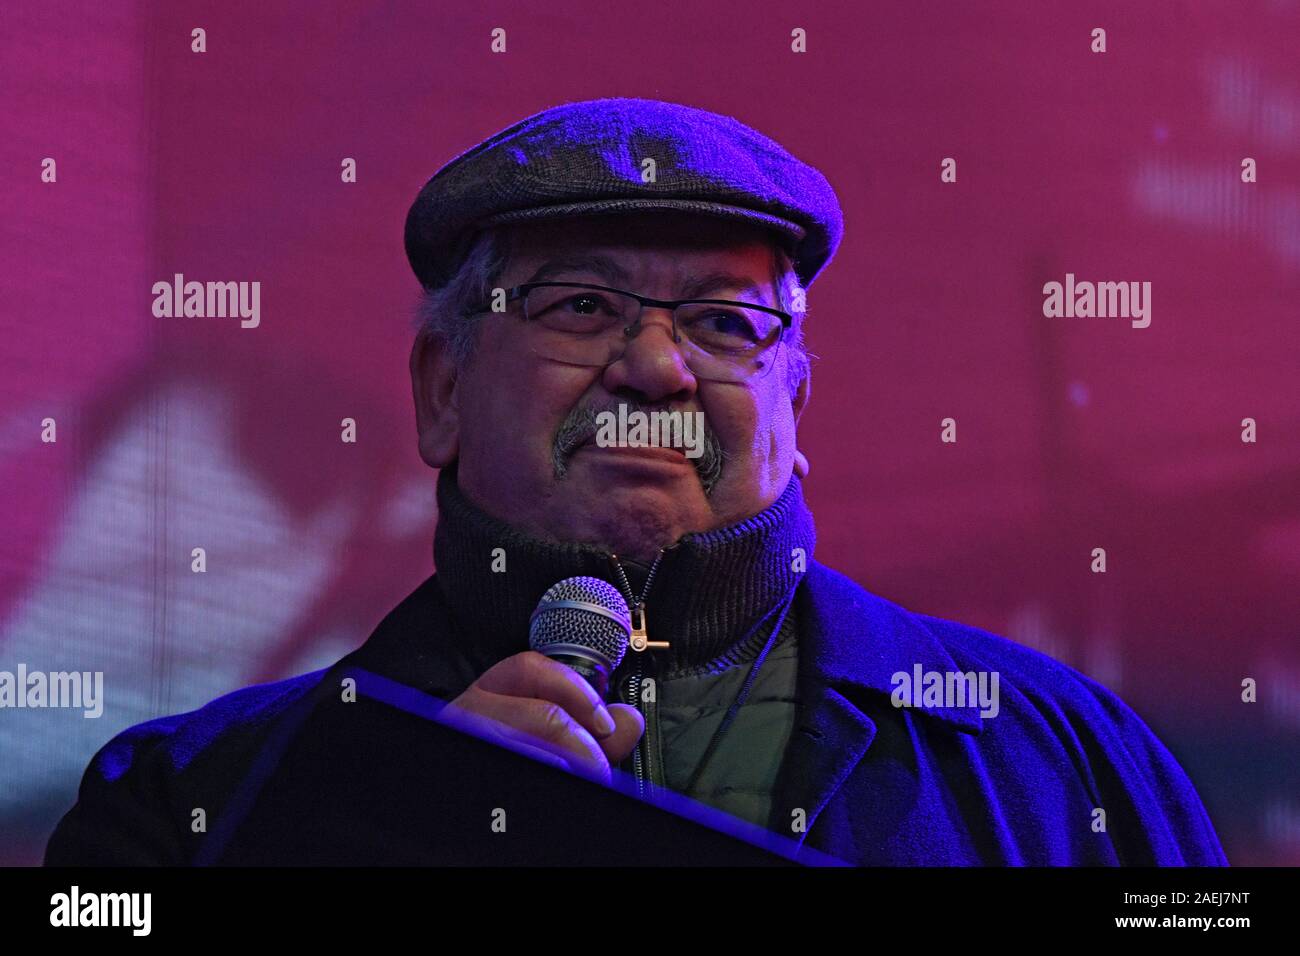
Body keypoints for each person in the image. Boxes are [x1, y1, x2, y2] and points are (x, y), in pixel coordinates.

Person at [45, 97, 1227, 865]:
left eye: (722, 321)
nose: (656, 365)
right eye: (581, 307)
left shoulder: (1069, 759)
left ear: (794, 406)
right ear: (441, 391)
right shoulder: (183, 805)